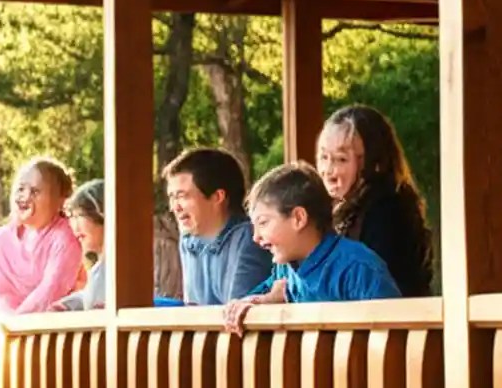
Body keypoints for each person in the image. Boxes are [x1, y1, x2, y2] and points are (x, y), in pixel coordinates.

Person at [222, 162, 401, 335]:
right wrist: (262, 301)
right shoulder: (284, 271)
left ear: (298, 218)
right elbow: (258, 297)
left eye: (263, 223)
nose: (256, 237)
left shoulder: (357, 267)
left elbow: (393, 334)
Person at [316, 104, 435, 297]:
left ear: (374, 163)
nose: (328, 170)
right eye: (323, 157)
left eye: (341, 159)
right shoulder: (339, 210)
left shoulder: (387, 210)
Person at [163, 148, 272, 306]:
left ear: (218, 197)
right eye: (172, 197)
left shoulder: (250, 238)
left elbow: (237, 315)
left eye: (182, 196)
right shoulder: (188, 240)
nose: (174, 207)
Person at [0, 157, 84, 315]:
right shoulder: (2, 239)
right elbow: (0, 295)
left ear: (60, 201)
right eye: (20, 189)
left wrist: (20, 322)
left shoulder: (66, 237)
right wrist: (11, 325)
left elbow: (51, 292)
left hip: (58, 330)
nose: (25, 197)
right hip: (13, 331)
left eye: (35, 192)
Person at [53, 180, 106, 311]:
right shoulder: (100, 267)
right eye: (71, 217)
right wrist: (67, 304)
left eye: (79, 215)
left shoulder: (121, 269)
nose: (74, 226)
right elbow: (90, 295)